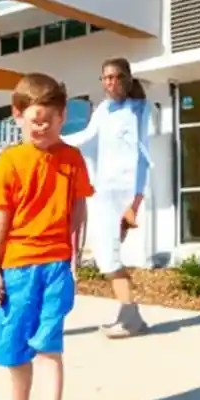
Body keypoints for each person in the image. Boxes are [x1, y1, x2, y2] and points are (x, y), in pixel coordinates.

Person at [0, 72, 93, 400]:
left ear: (63, 116)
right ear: (17, 116)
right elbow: (0, 217)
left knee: (50, 346)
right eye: (34, 119)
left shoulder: (72, 159)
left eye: (49, 118)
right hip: (15, 269)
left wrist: (75, 252)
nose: (41, 126)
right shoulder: (10, 161)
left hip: (56, 268)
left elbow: (79, 206)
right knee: (15, 347)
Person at [63, 57, 152, 338]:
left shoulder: (140, 110)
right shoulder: (102, 109)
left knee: (109, 257)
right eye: (106, 78)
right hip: (103, 193)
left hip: (125, 197)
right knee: (104, 257)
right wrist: (55, 139)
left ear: (127, 78)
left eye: (116, 77)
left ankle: (131, 318)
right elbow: (87, 136)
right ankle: (130, 315)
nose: (111, 82)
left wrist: (134, 205)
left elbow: (144, 158)